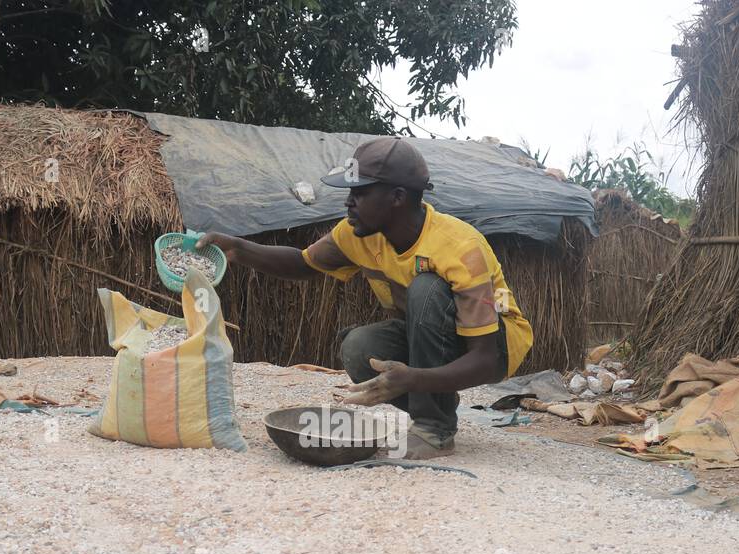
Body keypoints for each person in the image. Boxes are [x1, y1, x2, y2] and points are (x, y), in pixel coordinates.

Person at [196, 137, 531, 460]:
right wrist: (237, 248)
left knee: (426, 288)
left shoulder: (458, 248)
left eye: (360, 192)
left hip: (494, 346)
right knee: (359, 349)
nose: (348, 202)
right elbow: (302, 263)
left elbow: (485, 359)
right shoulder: (358, 234)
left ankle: (434, 429)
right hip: (437, 342)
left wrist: (413, 378)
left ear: (397, 197)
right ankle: (438, 401)